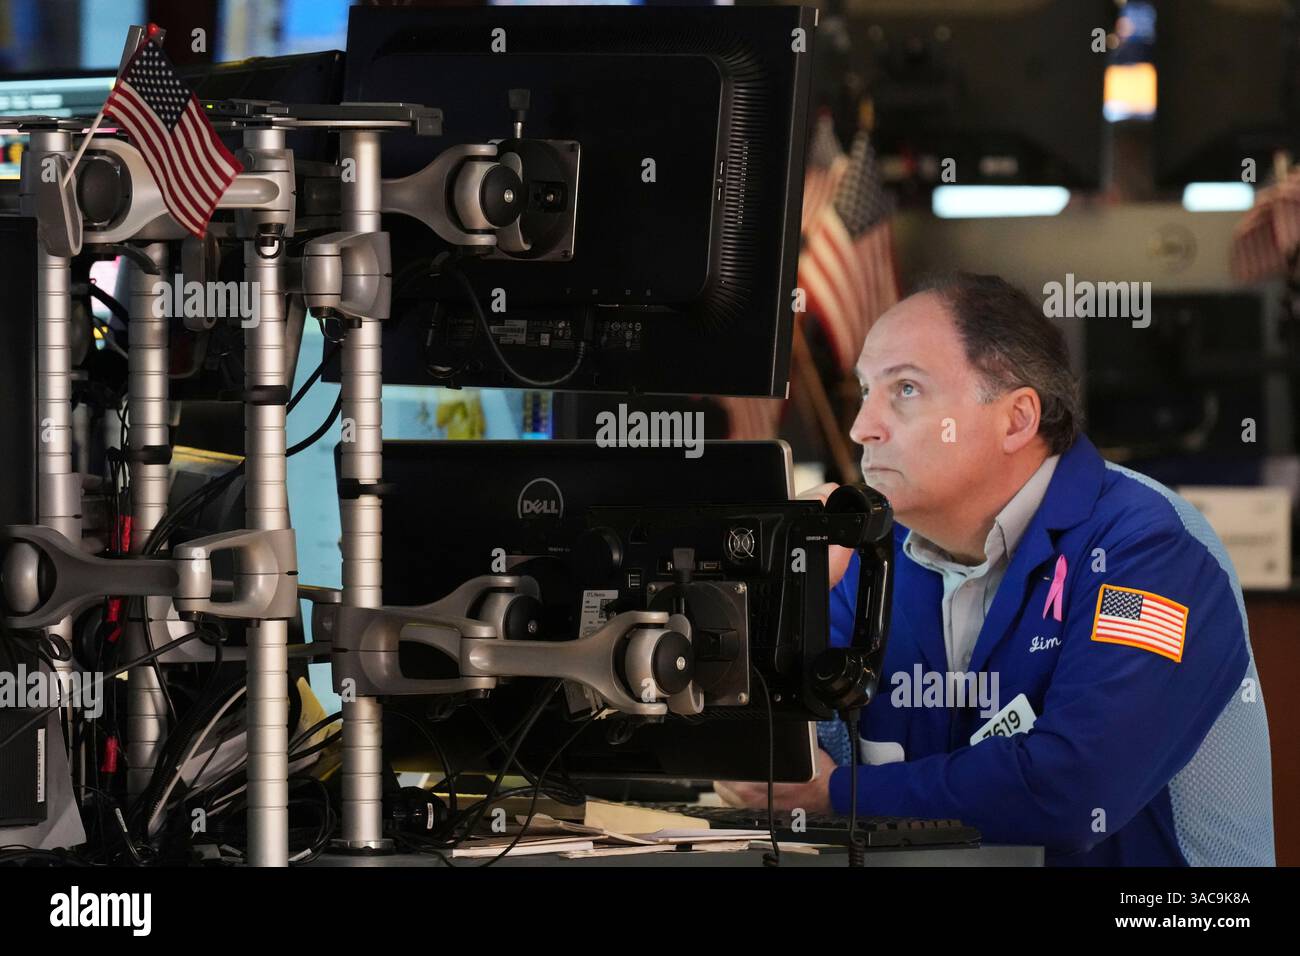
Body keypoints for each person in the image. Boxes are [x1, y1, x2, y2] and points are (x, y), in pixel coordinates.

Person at [714, 272, 1274, 866]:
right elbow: (769, 759)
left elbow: (1075, 791)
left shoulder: (1150, 549)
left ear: (1016, 419)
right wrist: (787, 598)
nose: (861, 427)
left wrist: (838, 795)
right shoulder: (860, 558)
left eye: (905, 389)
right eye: (864, 390)